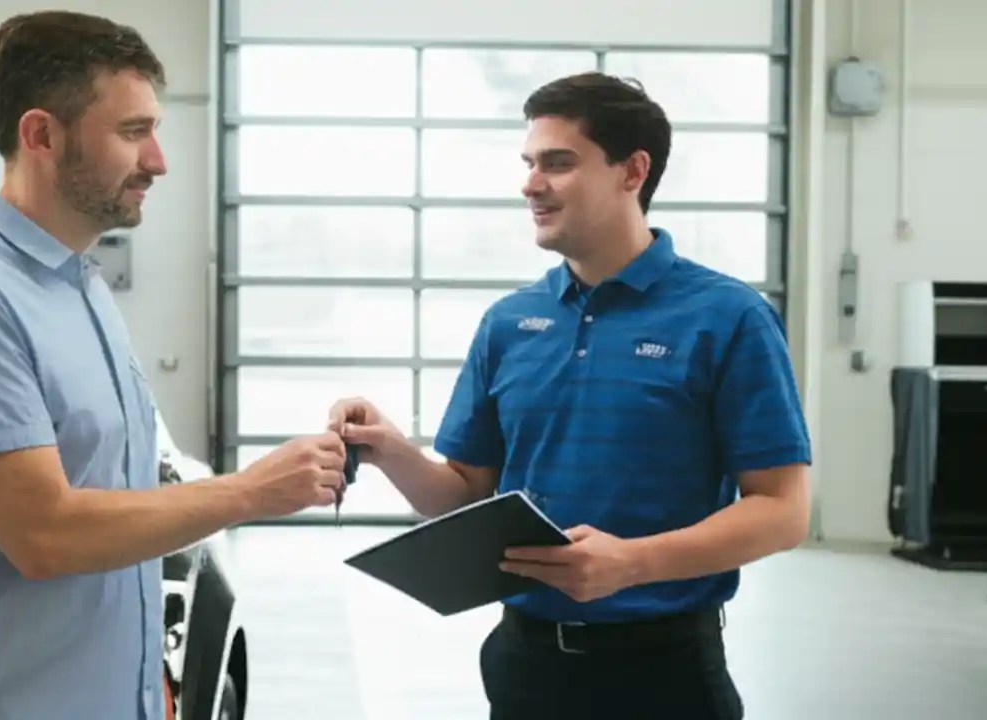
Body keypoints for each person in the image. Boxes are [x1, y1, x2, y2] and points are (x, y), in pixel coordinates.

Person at [0, 11, 346, 720]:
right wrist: (249, 491)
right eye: (133, 132)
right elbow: (45, 533)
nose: (158, 161)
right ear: (42, 135)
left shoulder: (81, 287)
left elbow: (117, 504)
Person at [328, 72, 811, 719]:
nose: (531, 183)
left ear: (632, 171)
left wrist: (633, 563)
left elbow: (782, 510)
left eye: (558, 163)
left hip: (666, 674)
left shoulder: (729, 318)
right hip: (523, 666)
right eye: (529, 163)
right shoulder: (509, 322)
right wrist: (391, 451)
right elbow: (467, 495)